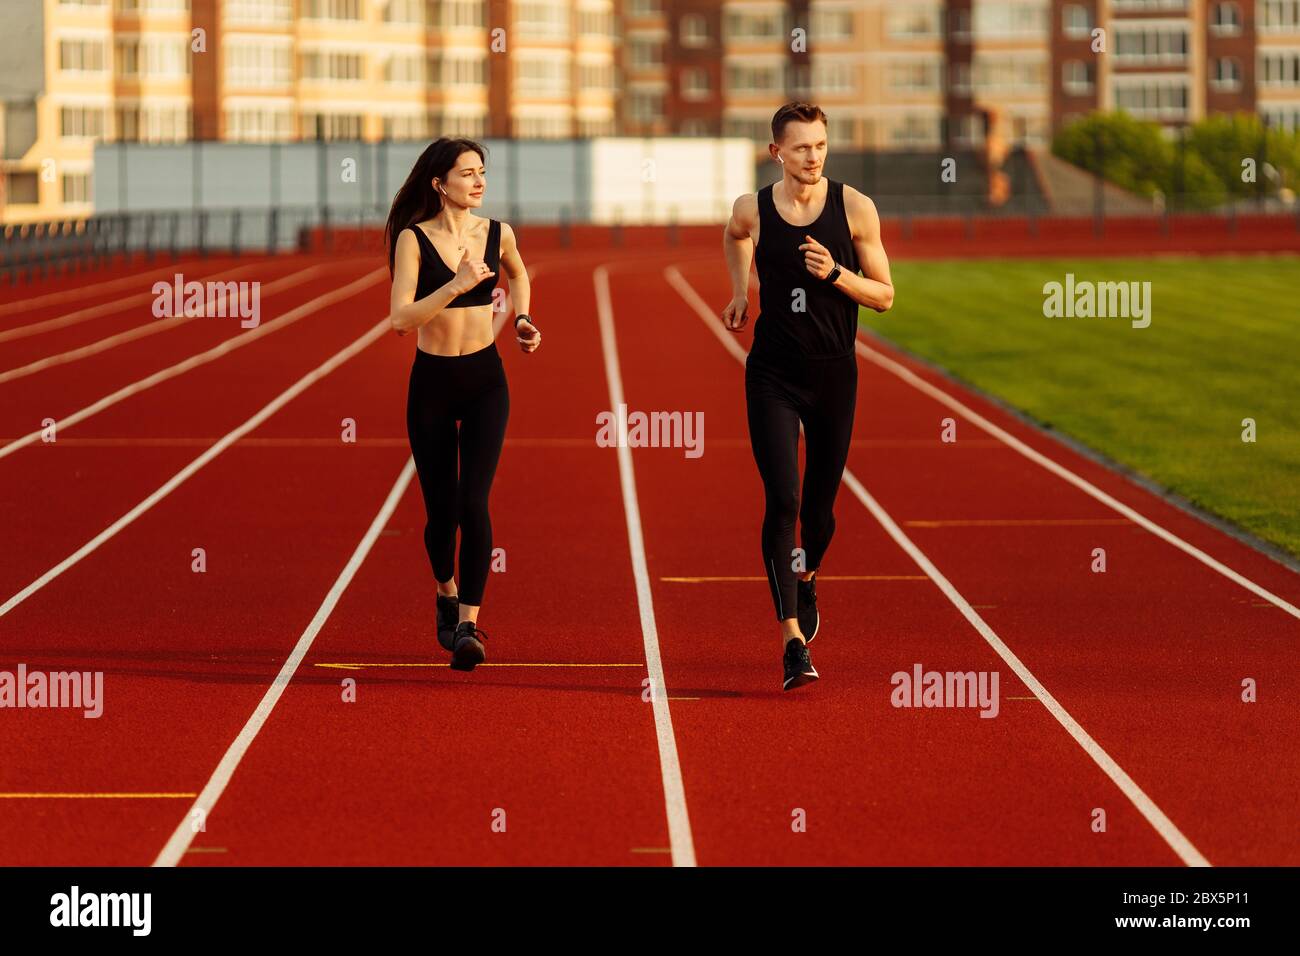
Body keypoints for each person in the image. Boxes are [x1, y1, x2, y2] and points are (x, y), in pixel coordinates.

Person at [720, 103, 895, 690]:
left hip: (833, 376)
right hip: (772, 373)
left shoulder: (855, 208)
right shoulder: (754, 209)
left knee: (819, 515)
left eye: (820, 145)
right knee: (784, 501)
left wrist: (835, 275)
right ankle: (792, 640)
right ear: (777, 153)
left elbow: (885, 297)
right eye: (801, 148)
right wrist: (739, 291)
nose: (813, 156)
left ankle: (809, 573)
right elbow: (733, 235)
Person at [384, 138, 541, 671]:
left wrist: (521, 317)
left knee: (474, 503)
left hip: (484, 381)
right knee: (441, 511)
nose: (479, 182)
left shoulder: (498, 234)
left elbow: (519, 272)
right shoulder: (414, 240)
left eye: (482, 172)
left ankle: (469, 625)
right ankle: (445, 590)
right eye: (467, 173)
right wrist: (455, 284)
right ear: (438, 183)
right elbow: (401, 320)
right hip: (432, 381)